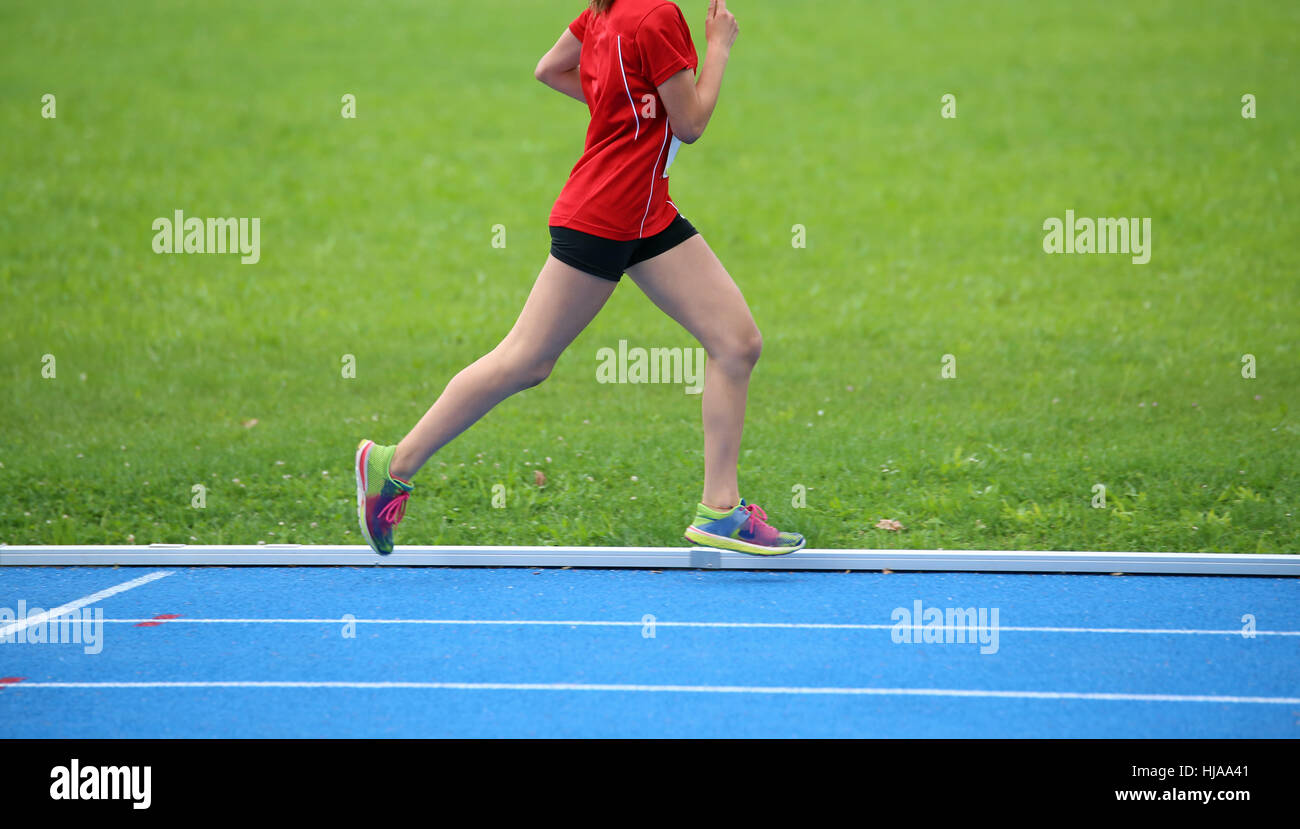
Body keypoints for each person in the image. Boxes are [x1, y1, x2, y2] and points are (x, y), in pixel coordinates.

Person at [356, 0, 805, 557]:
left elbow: (550, 69)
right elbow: (689, 124)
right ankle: (391, 465)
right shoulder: (658, 15)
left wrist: (628, 107)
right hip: (607, 216)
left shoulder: (607, 9)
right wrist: (719, 47)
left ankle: (720, 510)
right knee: (525, 359)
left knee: (736, 343)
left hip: (647, 212)